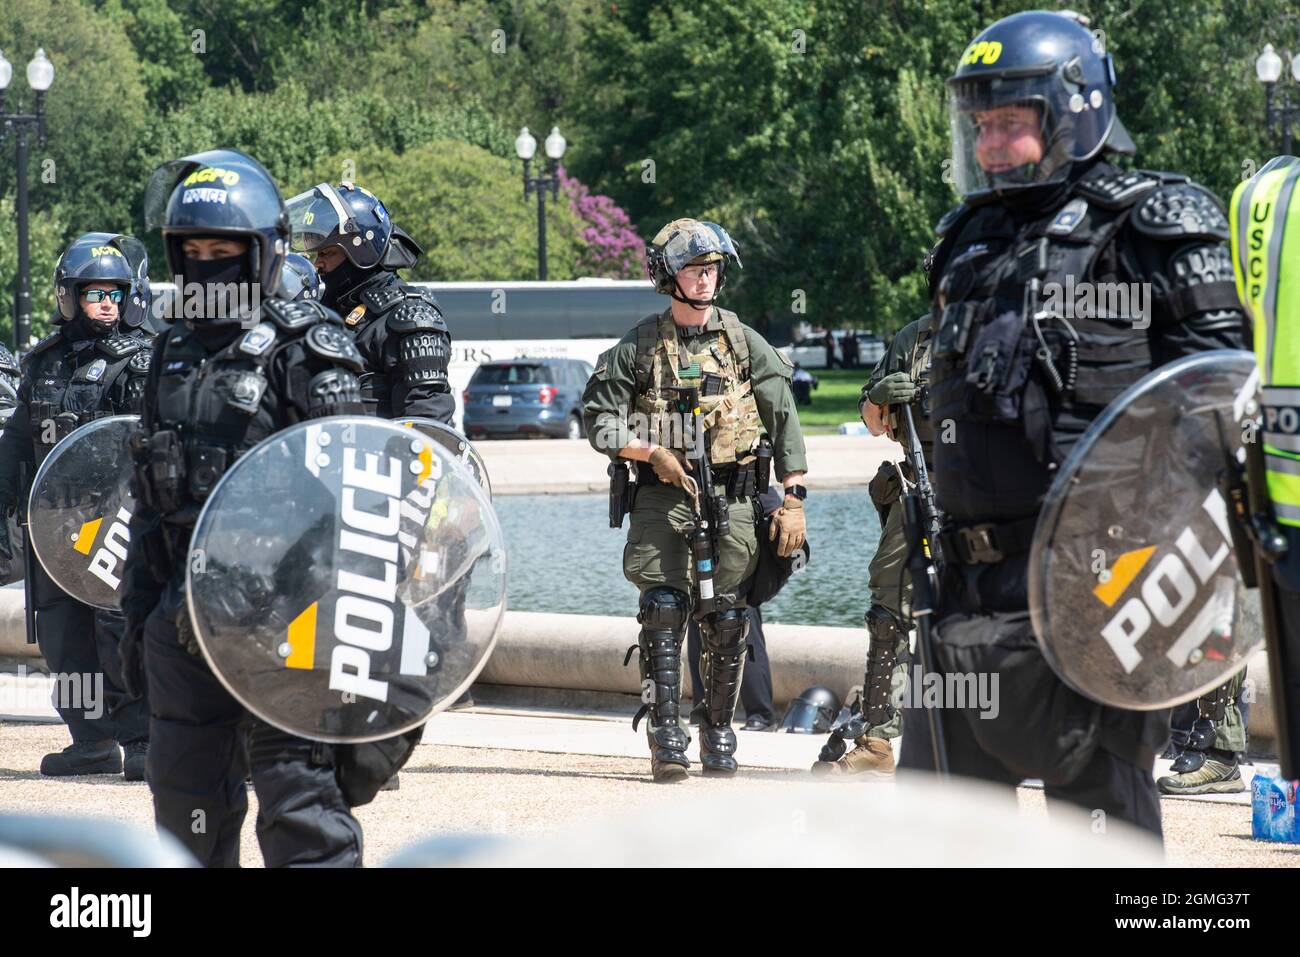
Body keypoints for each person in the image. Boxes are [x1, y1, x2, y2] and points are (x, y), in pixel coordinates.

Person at [902, 10, 1246, 837]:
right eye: (979, 124)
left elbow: (1223, 406)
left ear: (1076, 108)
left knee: (1106, 846)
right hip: (963, 591)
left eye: (1009, 122)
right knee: (929, 837)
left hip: (1101, 592)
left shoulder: (1155, 221)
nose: (988, 144)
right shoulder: (969, 238)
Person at [120, 149, 373, 867]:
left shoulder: (312, 353)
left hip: (290, 631)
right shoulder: (167, 353)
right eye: (192, 251)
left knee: (303, 817)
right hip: (184, 625)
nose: (206, 264)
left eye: (223, 251)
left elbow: (358, 516)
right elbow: (148, 506)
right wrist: (136, 624)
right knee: (185, 819)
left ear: (261, 251)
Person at [582, 218, 808, 781]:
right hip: (664, 495)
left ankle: (719, 730)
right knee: (663, 609)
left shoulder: (743, 341)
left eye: (711, 270)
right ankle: (665, 734)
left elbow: (785, 426)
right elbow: (598, 422)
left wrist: (794, 499)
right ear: (668, 276)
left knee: (727, 617)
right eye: (693, 269)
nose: (705, 280)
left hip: (733, 496)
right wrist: (650, 453)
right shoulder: (638, 345)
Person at [0, 233, 153, 779]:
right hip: (53, 524)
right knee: (63, 634)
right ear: (70, 297)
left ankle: (140, 740)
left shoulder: (142, 360)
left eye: (115, 292)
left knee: (118, 628)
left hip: (116, 519)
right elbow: (18, 441)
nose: (107, 302)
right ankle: (90, 740)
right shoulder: (43, 362)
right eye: (94, 293)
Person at [814, 315, 931, 777]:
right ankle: (878, 740)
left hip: (986, 493)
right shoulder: (915, 337)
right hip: (921, 488)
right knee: (887, 612)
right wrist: (881, 396)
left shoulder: (1008, 328)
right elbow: (870, 416)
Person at [288, 182, 454, 424]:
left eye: (327, 254)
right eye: (316, 255)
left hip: (381, 459)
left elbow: (428, 421)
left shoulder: (410, 317)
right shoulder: (336, 313)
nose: (318, 264)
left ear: (360, 251)